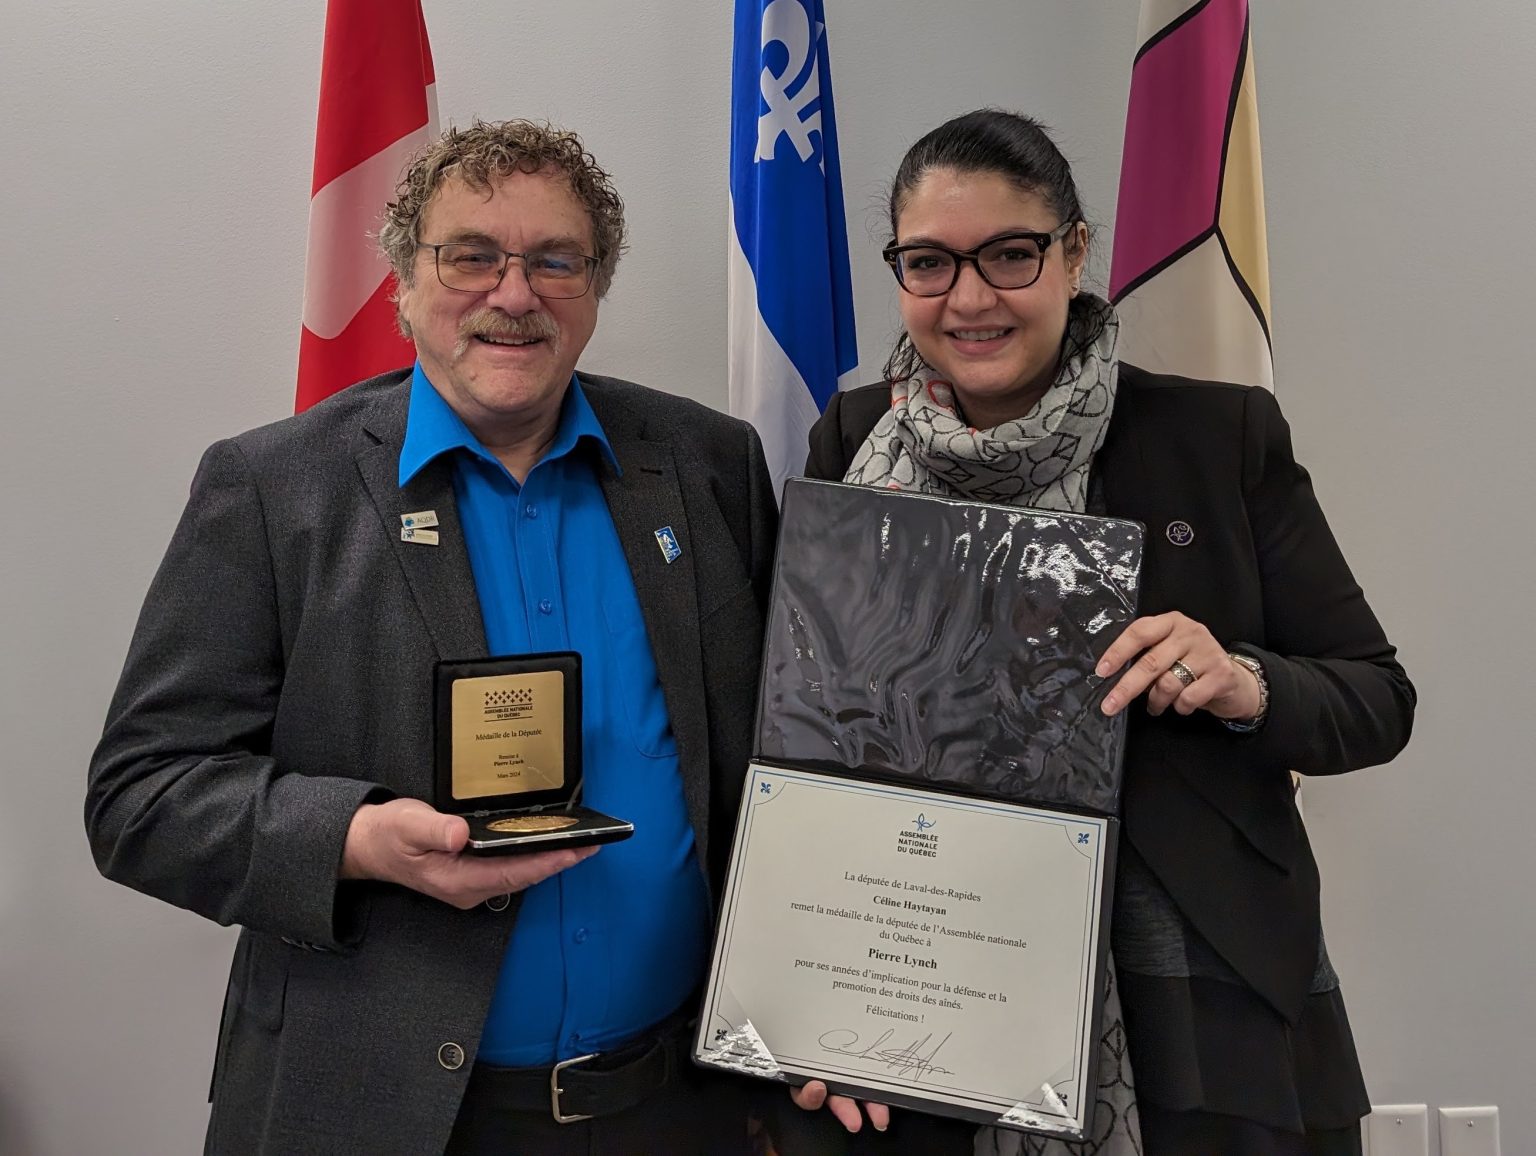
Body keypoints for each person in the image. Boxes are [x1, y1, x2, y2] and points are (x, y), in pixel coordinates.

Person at [86, 119, 776, 1156]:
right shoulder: (276, 490)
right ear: (404, 286)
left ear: (592, 289)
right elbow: (140, 795)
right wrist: (359, 840)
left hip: (678, 1106)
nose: (515, 292)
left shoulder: (708, 461)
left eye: (557, 260)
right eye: (471, 256)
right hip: (386, 1112)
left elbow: (782, 742)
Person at [793, 109, 1415, 1155]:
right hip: (929, 965)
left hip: (1194, 973)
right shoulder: (851, 438)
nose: (972, 295)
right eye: (930, 262)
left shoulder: (1216, 437)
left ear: (1075, 252)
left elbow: (1376, 698)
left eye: (1011, 253)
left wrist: (1241, 681)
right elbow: (808, 728)